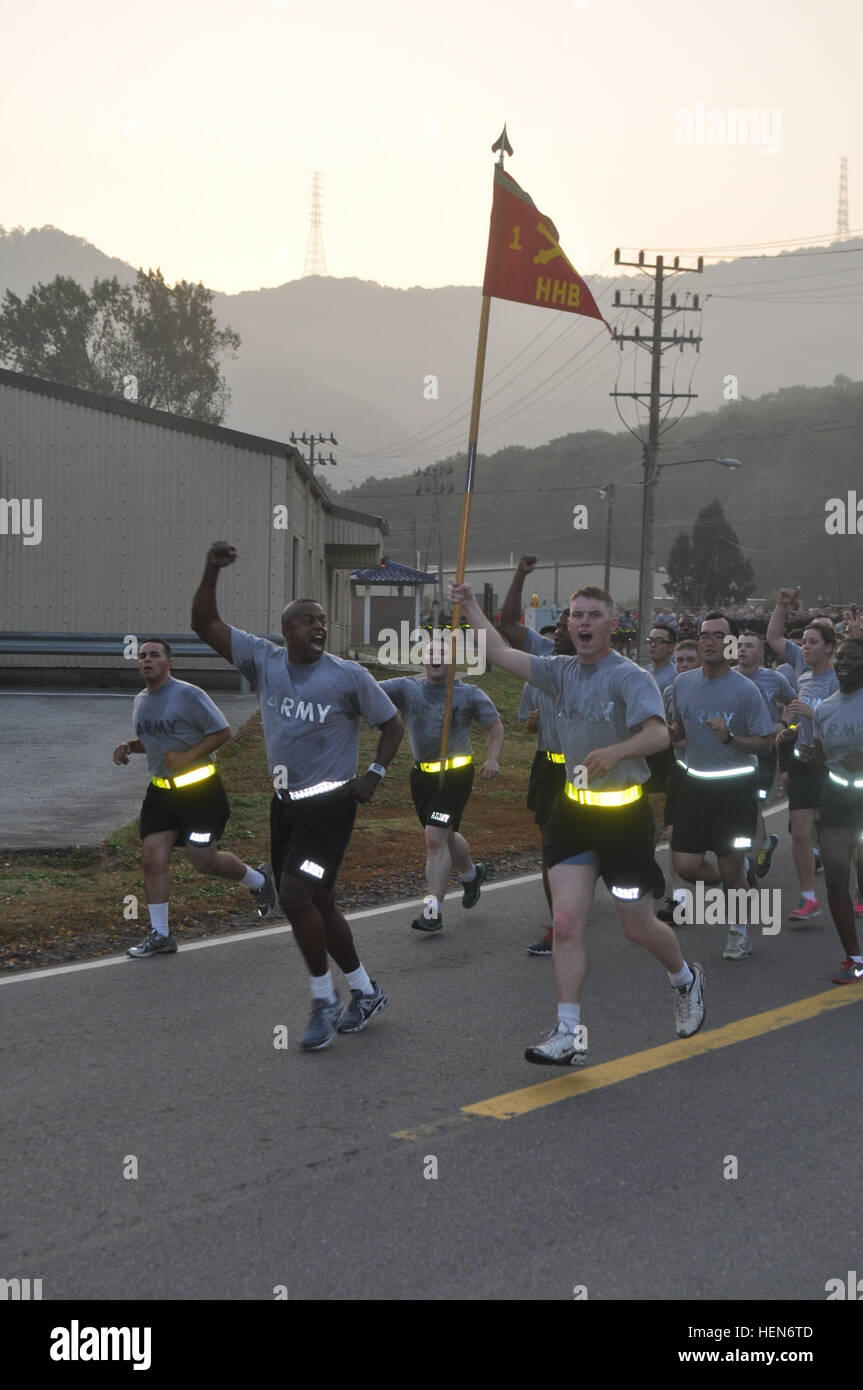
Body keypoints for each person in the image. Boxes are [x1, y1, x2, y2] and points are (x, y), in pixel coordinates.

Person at [449, 578, 706, 1067]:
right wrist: (468, 609)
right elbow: (501, 654)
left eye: (593, 615)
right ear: (567, 624)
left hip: (624, 818)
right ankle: (568, 1031)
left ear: (612, 623)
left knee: (636, 927)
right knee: (566, 923)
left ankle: (685, 979)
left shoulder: (630, 676)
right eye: (576, 615)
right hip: (572, 812)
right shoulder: (559, 671)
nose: (583, 622)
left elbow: (657, 735)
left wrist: (617, 750)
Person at [191, 543, 403, 1051]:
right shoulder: (263, 661)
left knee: (292, 896)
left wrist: (373, 774)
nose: (318, 627)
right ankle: (365, 991)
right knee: (321, 902)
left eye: (322, 620)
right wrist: (211, 570)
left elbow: (392, 724)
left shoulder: (349, 676)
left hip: (330, 806)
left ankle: (322, 1000)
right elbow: (203, 623)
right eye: (307, 620)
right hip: (285, 803)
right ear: (286, 631)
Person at [114, 638, 277, 958]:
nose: (147, 660)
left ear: (169, 663)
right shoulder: (140, 701)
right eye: (142, 656)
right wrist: (131, 747)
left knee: (204, 862)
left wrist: (188, 756)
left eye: (154, 655)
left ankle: (258, 880)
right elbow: (157, 739)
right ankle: (160, 934)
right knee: (151, 857)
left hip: (201, 793)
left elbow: (222, 732)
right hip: (161, 793)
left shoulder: (189, 694)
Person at [666, 613, 775, 962]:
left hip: (735, 788)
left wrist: (729, 738)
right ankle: (739, 874)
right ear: (698, 642)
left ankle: (738, 932)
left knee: (730, 867)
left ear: (729, 644)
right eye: (704, 636)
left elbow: (766, 743)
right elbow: (679, 730)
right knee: (686, 866)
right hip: (695, 786)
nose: (710, 642)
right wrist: (668, 734)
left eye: (719, 636)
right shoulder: (681, 684)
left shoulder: (746, 690)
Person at [378, 635, 503, 934]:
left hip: (455, 774)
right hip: (422, 776)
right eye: (431, 652)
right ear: (423, 659)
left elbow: (495, 726)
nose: (436, 657)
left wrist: (493, 758)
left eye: (443, 653)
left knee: (434, 836)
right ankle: (472, 875)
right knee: (444, 837)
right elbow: (366, 692)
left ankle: (432, 912)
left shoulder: (468, 694)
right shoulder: (405, 688)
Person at [497, 555, 574, 955]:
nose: (560, 631)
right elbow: (508, 626)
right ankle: (559, 926)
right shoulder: (545, 654)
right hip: (549, 767)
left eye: (568, 626)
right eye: (558, 625)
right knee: (553, 848)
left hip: (591, 771)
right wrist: (520, 576)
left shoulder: (610, 669)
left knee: (595, 851)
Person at [772, 613, 839, 920]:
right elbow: (801, 721)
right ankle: (808, 897)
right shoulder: (804, 678)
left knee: (838, 834)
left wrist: (810, 714)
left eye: (813, 642)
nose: (806, 647)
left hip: (831, 764)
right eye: (804, 642)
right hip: (802, 760)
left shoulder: (842, 680)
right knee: (800, 831)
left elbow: (844, 723)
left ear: (829, 647)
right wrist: (792, 730)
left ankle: (858, 890)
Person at [806, 638, 863, 981]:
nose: (843, 661)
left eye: (853, 657)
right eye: (840, 656)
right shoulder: (824, 709)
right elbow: (822, 758)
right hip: (838, 796)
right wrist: (813, 762)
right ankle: (854, 958)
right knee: (836, 877)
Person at [735, 632, 796, 877]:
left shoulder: (774, 679)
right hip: (737, 750)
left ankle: (749, 864)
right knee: (745, 806)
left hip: (765, 752)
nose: (742, 650)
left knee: (755, 804)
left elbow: (794, 702)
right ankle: (765, 844)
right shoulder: (728, 677)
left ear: (760, 652)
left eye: (749, 646)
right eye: (739, 646)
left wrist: (784, 724)